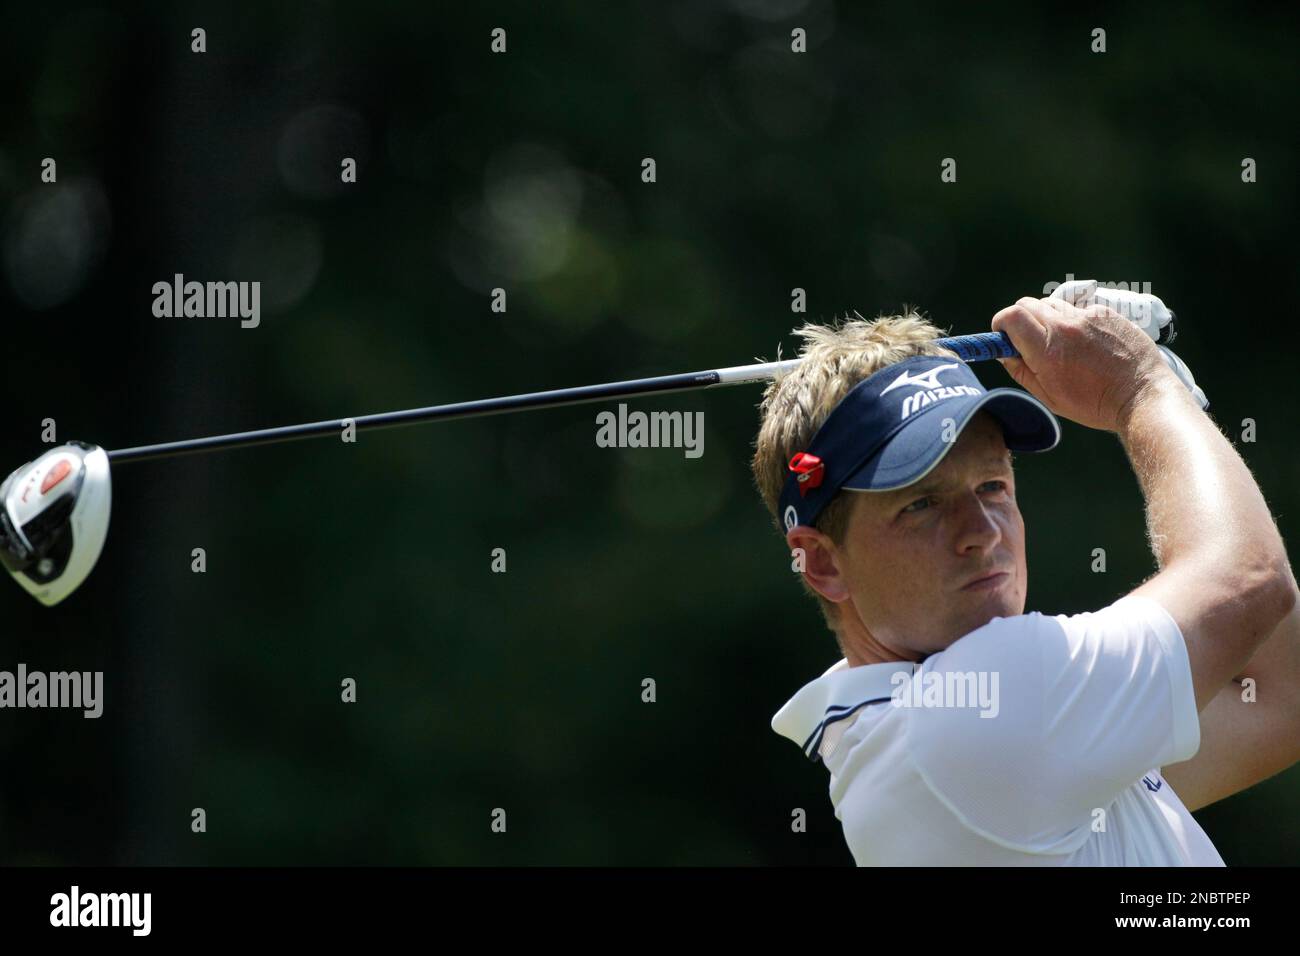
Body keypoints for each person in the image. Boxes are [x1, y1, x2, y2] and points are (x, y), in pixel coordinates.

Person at [753, 294, 1299, 865]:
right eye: (921, 505)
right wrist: (1139, 387)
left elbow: (1280, 699)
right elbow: (1249, 580)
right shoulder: (966, 719)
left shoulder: (938, 735)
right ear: (822, 562)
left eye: (993, 486)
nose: (981, 531)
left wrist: (1173, 408)